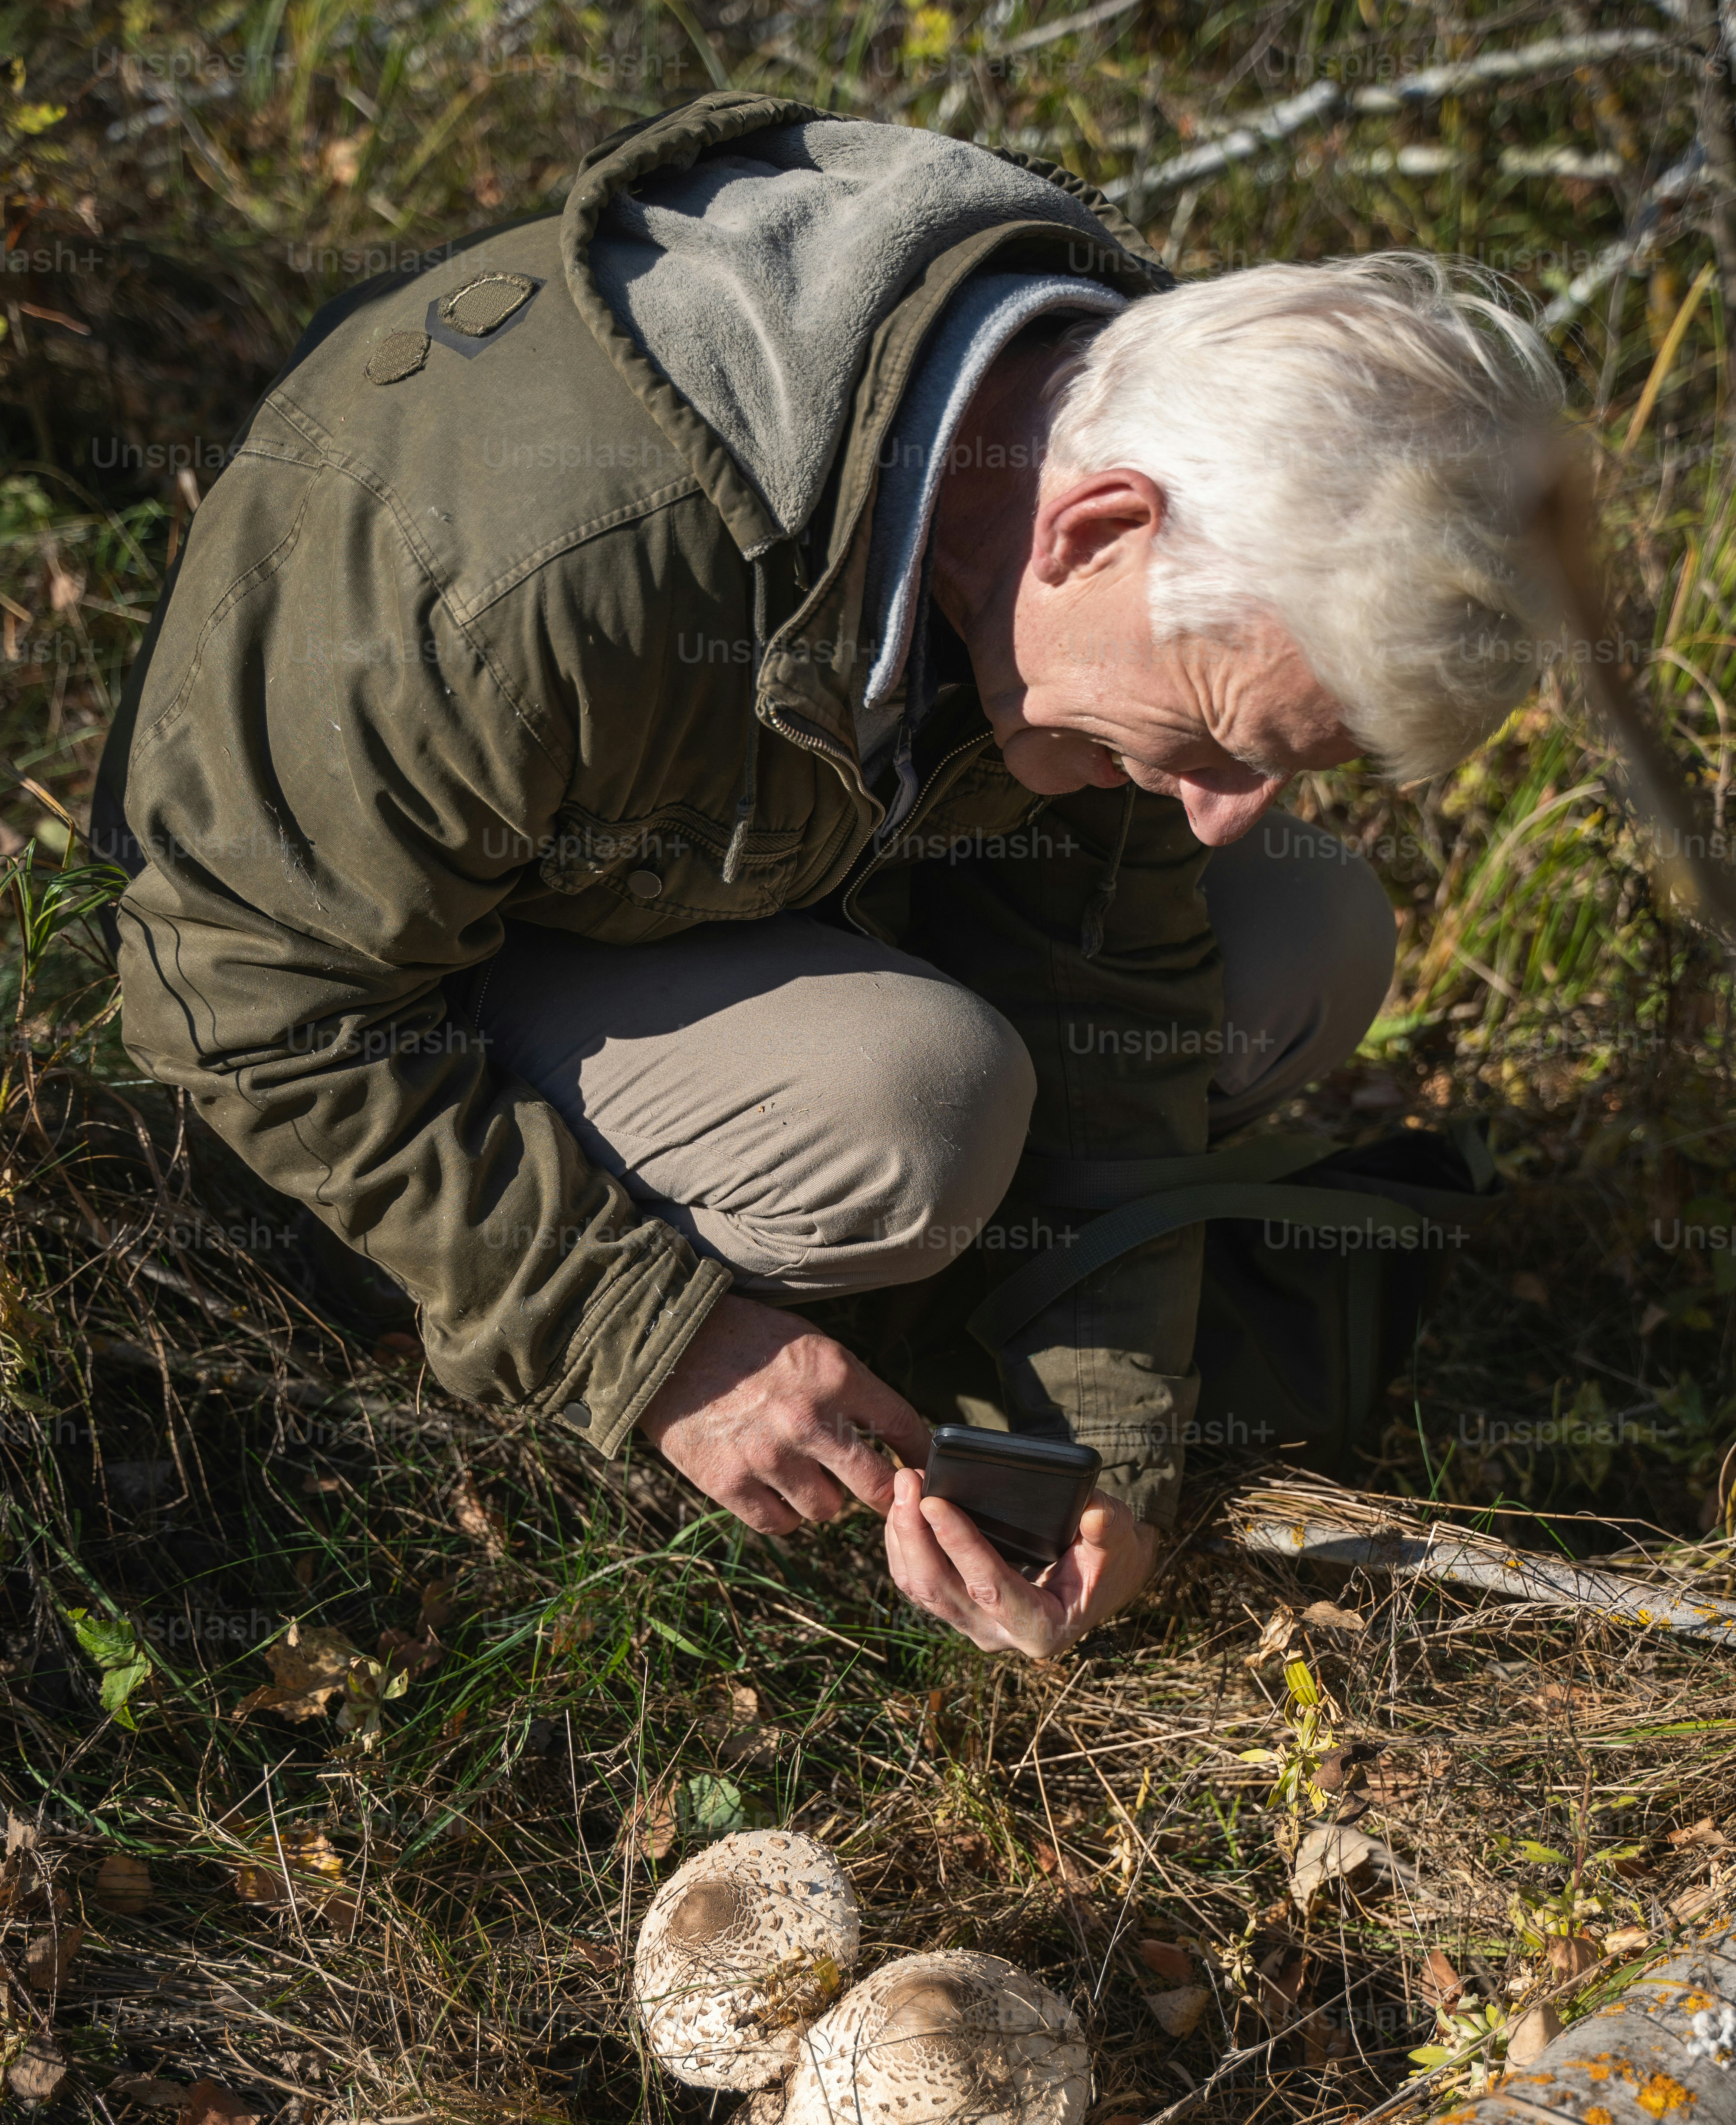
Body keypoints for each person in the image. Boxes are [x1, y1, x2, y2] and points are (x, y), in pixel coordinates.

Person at [93, 94, 1561, 1661]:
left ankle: (888, 1323)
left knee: (1300, 927)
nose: (1217, 811)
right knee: (914, 1113)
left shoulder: (1109, 430)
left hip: (750, 855)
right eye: (1213, 740)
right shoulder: (541, 569)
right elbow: (239, 990)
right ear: (1099, 529)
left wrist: (1101, 1470)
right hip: (380, 973)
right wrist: (657, 1343)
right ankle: (554, 1311)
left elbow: (1109, 990)